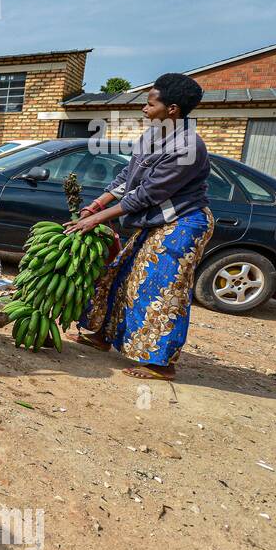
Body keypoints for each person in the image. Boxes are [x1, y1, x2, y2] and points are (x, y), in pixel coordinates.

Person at [69, 73, 214, 381]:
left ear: (172, 109)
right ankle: (102, 335)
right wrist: (96, 204)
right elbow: (128, 178)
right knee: (117, 275)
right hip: (154, 220)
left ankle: (161, 364)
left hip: (182, 222)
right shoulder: (153, 135)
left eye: (150, 104)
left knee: (159, 288)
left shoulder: (187, 147)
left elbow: (148, 194)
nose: (144, 110)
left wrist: (97, 219)